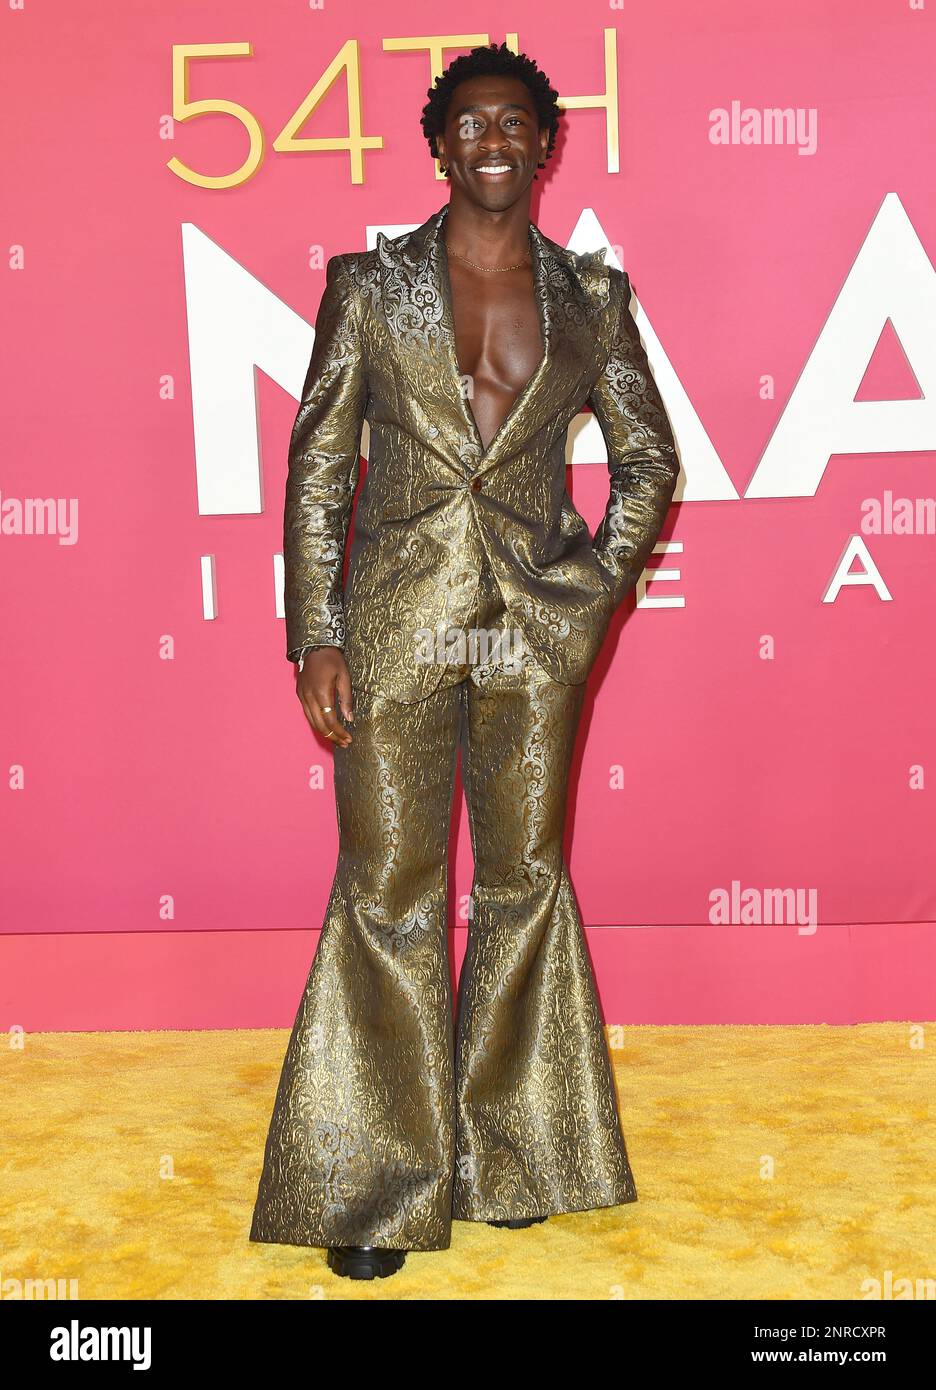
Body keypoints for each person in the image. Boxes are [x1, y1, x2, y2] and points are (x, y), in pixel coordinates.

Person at [250, 41, 680, 1281]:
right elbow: (319, 467)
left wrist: (589, 590)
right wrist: (317, 632)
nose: (494, 141)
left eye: (516, 123)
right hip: (398, 626)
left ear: (547, 145)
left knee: (524, 879)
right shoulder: (368, 285)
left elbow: (650, 459)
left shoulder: (592, 297)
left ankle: (515, 1153)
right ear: (439, 145)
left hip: (530, 635)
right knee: (388, 886)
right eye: (472, 123)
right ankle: (371, 1183)